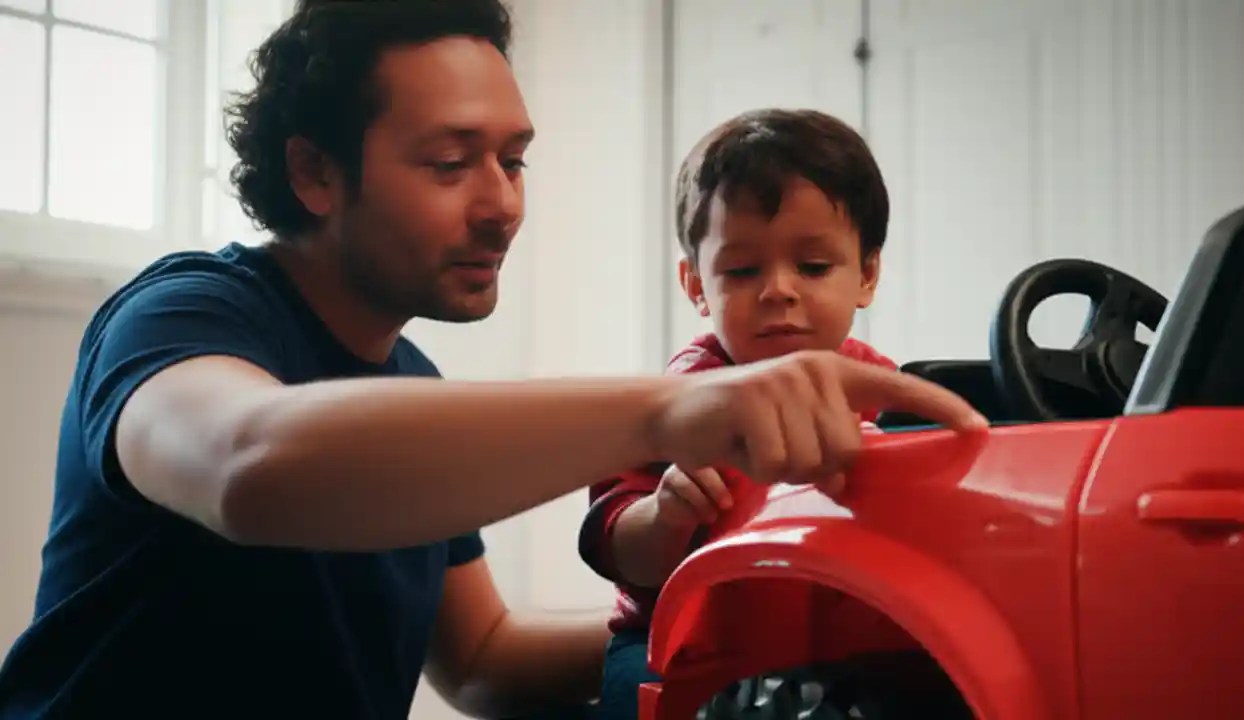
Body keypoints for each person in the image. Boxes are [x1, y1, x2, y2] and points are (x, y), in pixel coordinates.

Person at [0, 1, 985, 718]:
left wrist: (733, 635)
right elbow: (247, 463)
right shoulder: (183, 315)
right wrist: (672, 410)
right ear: (313, 172)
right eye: (449, 163)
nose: (501, 203)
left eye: (511, 160)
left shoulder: (409, 385)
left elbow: (478, 661)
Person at [580, 108, 901, 719]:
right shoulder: (674, 406)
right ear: (696, 284)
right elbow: (615, 548)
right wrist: (666, 515)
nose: (778, 289)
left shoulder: (881, 389)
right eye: (742, 269)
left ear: (866, 274)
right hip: (676, 646)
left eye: (812, 267)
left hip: (832, 648)